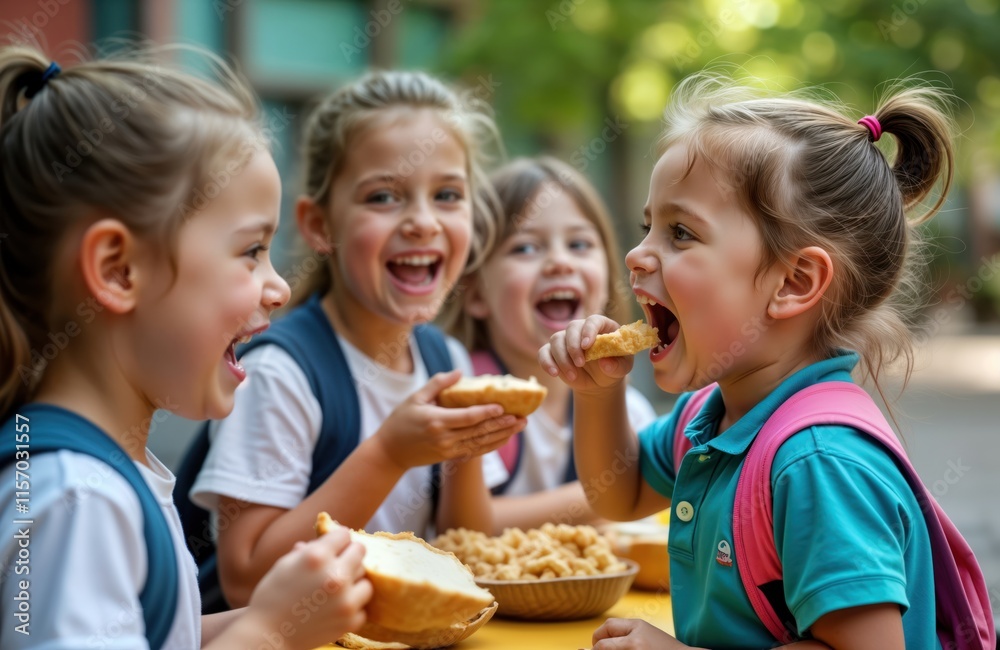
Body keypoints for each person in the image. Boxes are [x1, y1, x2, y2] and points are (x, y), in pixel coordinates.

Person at [540, 74, 971, 648]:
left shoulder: (817, 463)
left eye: (681, 232)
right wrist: (597, 392)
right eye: (649, 226)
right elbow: (617, 493)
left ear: (793, 282)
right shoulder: (715, 414)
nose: (637, 254)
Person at [0, 45, 371, 649]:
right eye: (251, 250)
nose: (279, 287)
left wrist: (296, 614)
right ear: (118, 270)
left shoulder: (87, 474)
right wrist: (268, 631)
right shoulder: (75, 498)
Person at [188, 70, 525, 608]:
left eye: (446, 194)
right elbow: (246, 579)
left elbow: (467, 548)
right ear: (321, 225)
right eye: (384, 196)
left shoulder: (447, 359)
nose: (421, 221)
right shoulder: (280, 374)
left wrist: (464, 449)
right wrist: (390, 454)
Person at [445, 157, 656, 530]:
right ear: (475, 292)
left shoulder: (628, 411)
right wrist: (622, 489)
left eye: (579, 244)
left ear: (607, 279)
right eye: (525, 249)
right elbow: (469, 527)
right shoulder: (470, 397)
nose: (559, 262)